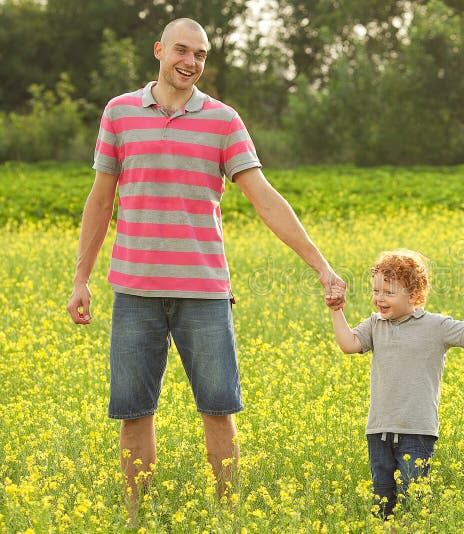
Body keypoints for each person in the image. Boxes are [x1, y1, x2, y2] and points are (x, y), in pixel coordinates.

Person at [65, 18, 345, 524]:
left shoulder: (223, 120)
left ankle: (228, 515)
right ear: (158, 50)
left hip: (205, 292)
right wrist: (80, 280)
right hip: (134, 289)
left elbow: (265, 199)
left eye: (200, 54)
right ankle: (136, 516)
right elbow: (101, 199)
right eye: (182, 51)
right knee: (134, 412)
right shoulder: (120, 112)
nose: (191, 62)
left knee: (218, 407)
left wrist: (321, 265)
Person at [329, 249, 464, 519]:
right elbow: (348, 344)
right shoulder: (375, 325)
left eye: (388, 292)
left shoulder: (435, 326)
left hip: (418, 430)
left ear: (413, 294)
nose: (379, 299)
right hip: (379, 429)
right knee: (382, 500)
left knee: (413, 500)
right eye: (375, 291)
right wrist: (337, 311)